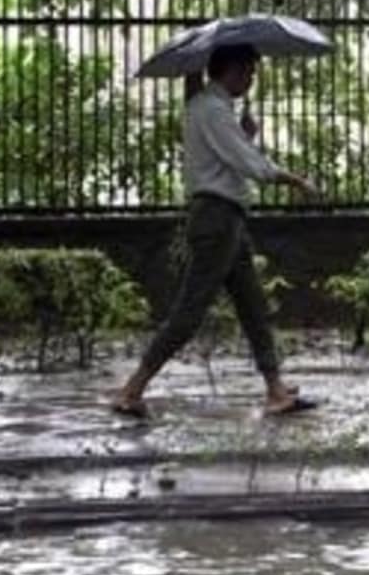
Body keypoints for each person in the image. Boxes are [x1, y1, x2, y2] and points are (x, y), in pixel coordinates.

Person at [112, 43, 320, 419]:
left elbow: (229, 158)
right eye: (250, 71)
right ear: (233, 70)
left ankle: (275, 389)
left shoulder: (208, 109)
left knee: (253, 306)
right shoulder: (213, 110)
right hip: (217, 219)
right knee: (189, 312)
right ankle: (133, 389)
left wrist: (245, 135)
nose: (252, 79)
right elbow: (250, 165)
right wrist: (296, 180)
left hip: (227, 219)